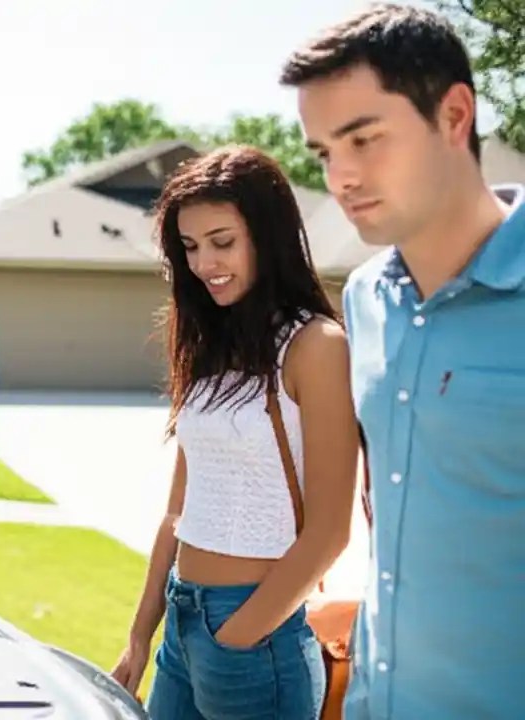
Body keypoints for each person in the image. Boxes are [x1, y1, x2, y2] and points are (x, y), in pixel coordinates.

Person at [281, 5, 525, 718]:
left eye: (364, 138)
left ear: (454, 116)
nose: (342, 176)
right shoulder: (364, 300)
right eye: (324, 151)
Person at [110, 146, 360, 719]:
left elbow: (329, 532)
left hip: (252, 638)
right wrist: (141, 633)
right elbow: (179, 510)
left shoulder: (315, 345)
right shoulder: (211, 348)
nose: (204, 264)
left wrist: (241, 634)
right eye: (190, 247)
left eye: (222, 242)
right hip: (184, 620)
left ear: (265, 237)